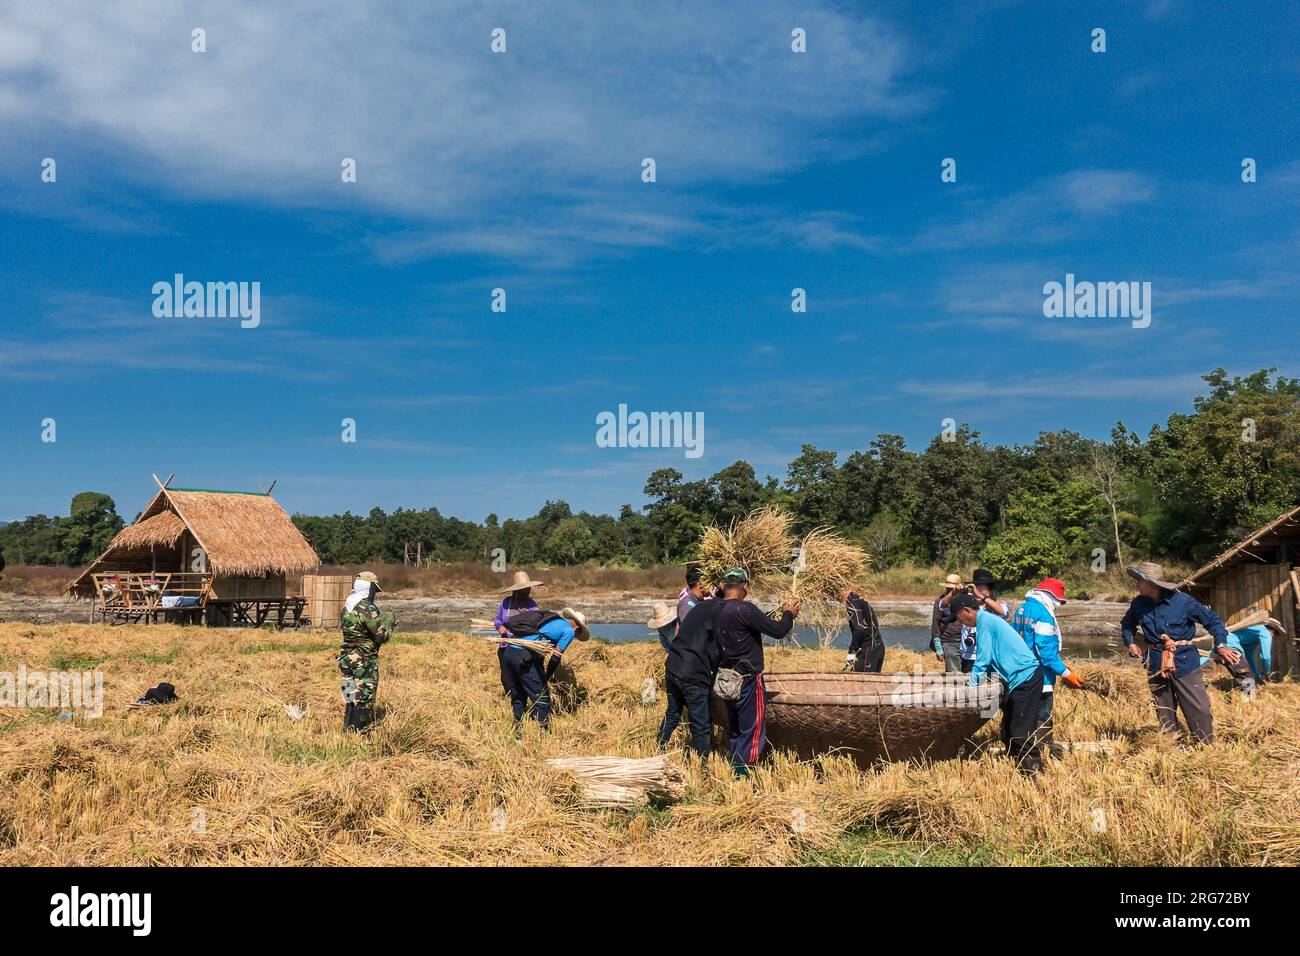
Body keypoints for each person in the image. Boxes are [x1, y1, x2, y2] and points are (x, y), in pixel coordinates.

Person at [1121, 562, 1239, 744]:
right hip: (1155, 661)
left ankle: (1204, 745)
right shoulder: (1138, 604)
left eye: (1139, 580)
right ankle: (1170, 745)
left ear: (1150, 583)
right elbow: (1127, 624)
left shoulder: (1183, 602)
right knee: (1163, 706)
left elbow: (1214, 622)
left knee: (1197, 707)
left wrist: (1221, 645)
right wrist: (1130, 643)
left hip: (1183, 660)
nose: (1136, 584)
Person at [713, 568, 800, 775]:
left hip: (726, 678)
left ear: (725, 585)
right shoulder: (745, 610)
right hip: (747, 679)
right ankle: (743, 775)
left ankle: (734, 767)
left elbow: (759, 621)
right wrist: (789, 613)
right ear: (745, 586)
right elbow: (778, 631)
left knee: (734, 726)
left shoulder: (716, 609)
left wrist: (777, 611)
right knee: (751, 729)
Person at [954, 592, 1045, 775]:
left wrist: (970, 687)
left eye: (959, 618)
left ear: (967, 611)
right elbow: (991, 660)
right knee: (1008, 730)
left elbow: (983, 659)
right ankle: (1015, 768)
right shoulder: (986, 621)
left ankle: (1034, 774)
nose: (960, 622)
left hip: (1026, 678)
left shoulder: (985, 622)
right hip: (1016, 681)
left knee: (1021, 732)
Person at [1009, 577, 1084, 756]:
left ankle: (1027, 746)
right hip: (1040, 676)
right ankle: (1037, 752)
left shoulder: (1021, 609)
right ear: (1050, 596)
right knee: (1042, 714)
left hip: (1020, 675)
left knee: (1024, 714)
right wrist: (1066, 673)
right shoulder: (1043, 614)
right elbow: (1046, 653)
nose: (1058, 605)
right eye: (1058, 601)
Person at [496, 607, 589, 730]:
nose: (575, 635)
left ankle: (518, 731)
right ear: (577, 628)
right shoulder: (569, 631)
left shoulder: (553, 620)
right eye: (578, 633)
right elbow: (556, 657)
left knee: (519, 694)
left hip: (509, 652)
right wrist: (546, 677)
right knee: (542, 699)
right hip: (523, 657)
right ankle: (542, 732)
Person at [658, 591, 723, 757]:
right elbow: (715, 650)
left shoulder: (696, 608)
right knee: (701, 722)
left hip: (673, 667)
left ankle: (659, 746)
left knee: (673, 713)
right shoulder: (717, 612)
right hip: (692, 674)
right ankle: (702, 764)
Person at [337, 571, 396, 732]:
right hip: (363, 659)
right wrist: (389, 623)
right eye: (373, 591)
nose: (374, 595)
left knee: (350, 695)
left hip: (346, 658)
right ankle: (360, 733)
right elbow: (381, 636)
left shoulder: (346, 607)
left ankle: (347, 730)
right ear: (368, 588)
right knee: (365, 696)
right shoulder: (367, 608)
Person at [1201, 615, 1285, 693]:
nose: (1274, 637)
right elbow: (1265, 657)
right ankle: (1247, 702)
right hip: (1230, 648)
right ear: (1273, 630)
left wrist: (1258, 678)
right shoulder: (1265, 633)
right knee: (1248, 679)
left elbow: (1249, 657)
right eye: (1276, 634)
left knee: (1248, 676)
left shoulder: (1253, 635)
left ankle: (1189, 673)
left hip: (1221, 645)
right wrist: (1267, 672)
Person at [931, 573, 966, 673]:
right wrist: (938, 647)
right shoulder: (940, 601)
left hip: (966, 642)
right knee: (954, 674)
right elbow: (935, 623)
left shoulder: (965, 600)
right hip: (949, 641)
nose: (950, 591)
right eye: (948, 589)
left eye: (952, 589)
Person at [843, 589, 884, 672]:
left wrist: (851, 652)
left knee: (862, 681)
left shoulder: (852, 600)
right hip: (877, 645)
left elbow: (859, 629)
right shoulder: (858, 598)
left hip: (869, 649)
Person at [494, 570, 543, 637]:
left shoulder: (531, 605)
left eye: (527, 592)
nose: (525, 595)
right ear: (516, 591)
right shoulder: (506, 603)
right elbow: (498, 619)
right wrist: (499, 626)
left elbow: (538, 621)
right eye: (522, 593)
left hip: (526, 641)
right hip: (507, 642)